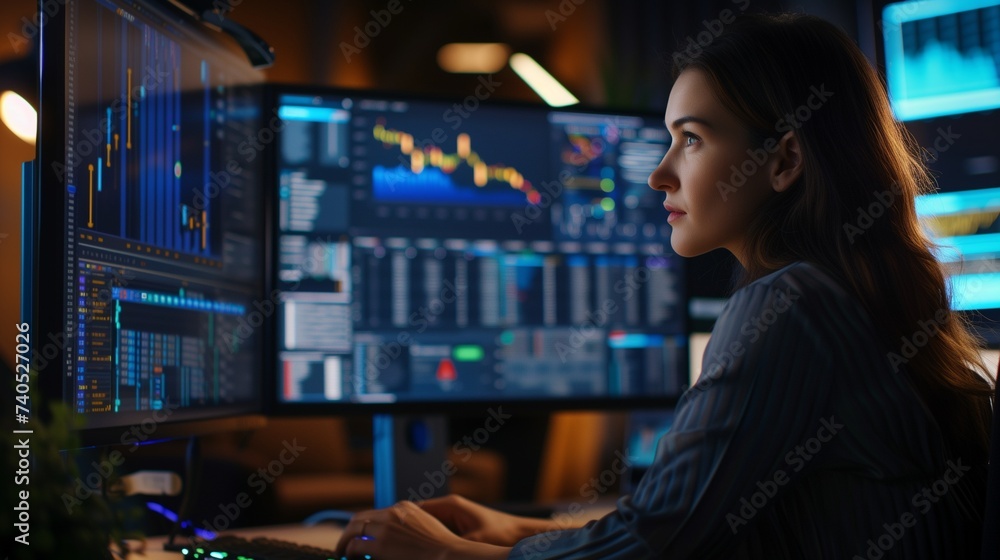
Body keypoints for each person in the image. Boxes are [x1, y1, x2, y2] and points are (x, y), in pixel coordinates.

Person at [334, 12, 995, 559]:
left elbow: (650, 551)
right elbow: (696, 532)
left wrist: (444, 554)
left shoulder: (790, 306)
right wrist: (520, 531)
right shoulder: (851, 299)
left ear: (786, 159)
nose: (659, 174)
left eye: (692, 140)